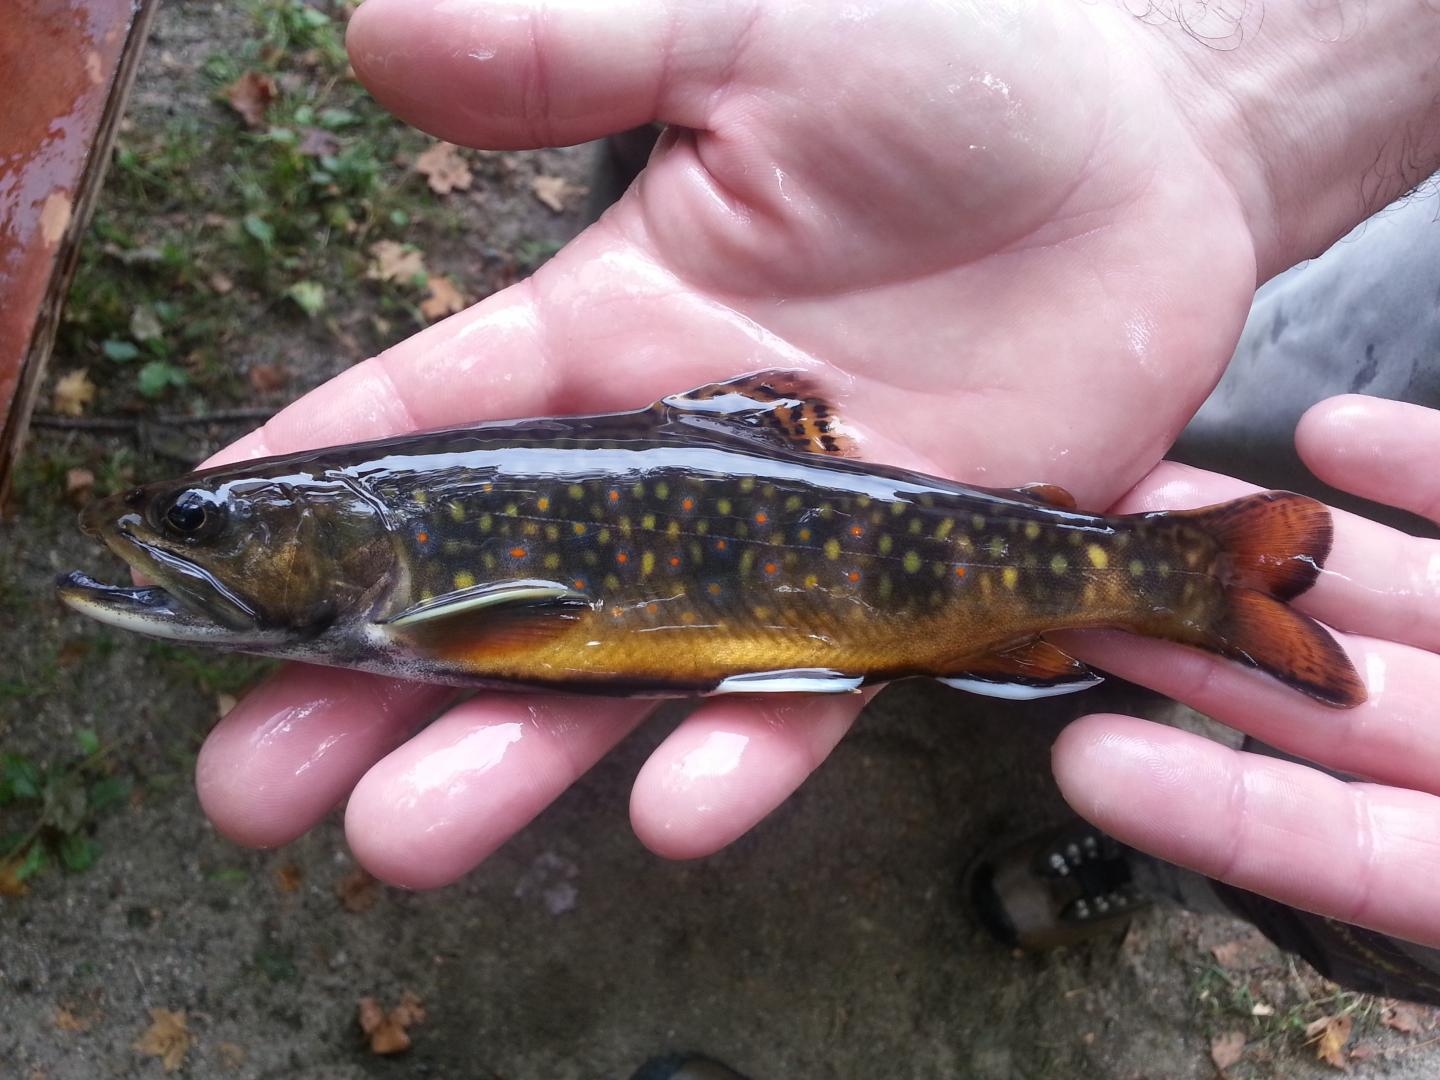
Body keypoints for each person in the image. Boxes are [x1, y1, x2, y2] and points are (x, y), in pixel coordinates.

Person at [195, 0, 1440, 988]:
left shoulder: (422, 594)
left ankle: (1152, 622)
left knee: (1254, 414)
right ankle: (1119, 640)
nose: (188, 544)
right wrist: (1199, 110)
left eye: (205, 527)